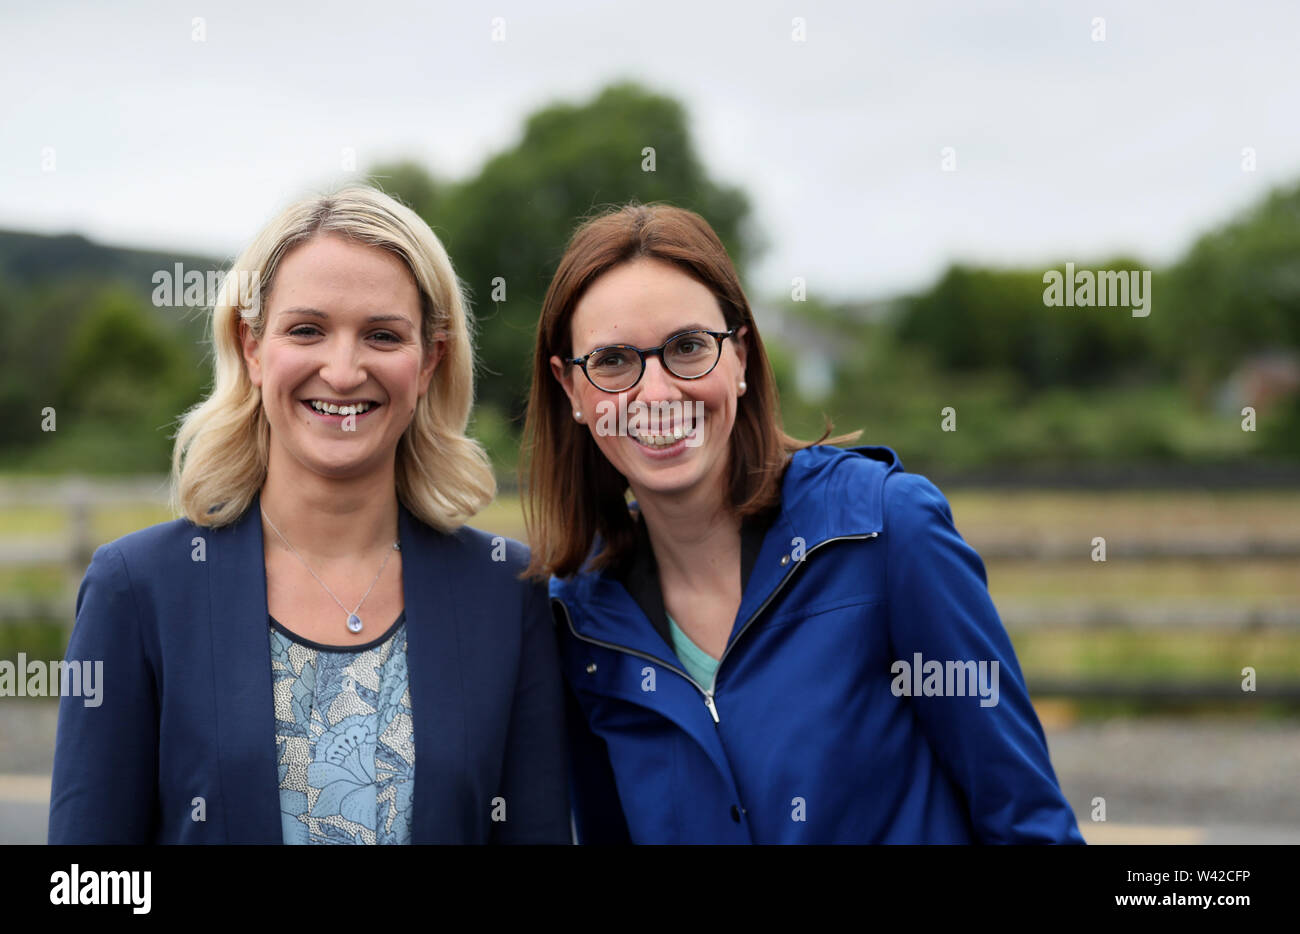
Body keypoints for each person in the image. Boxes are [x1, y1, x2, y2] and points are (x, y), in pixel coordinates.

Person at [521, 202, 1084, 844]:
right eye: (614, 361)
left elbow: (1026, 820)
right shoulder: (579, 621)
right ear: (571, 390)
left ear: (740, 358)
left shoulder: (886, 529)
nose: (655, 394)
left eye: (686, 347)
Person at [48, 186, 569, 844]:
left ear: (431, 360)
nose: (344, 370)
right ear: (253, 347)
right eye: (307, 330)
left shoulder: (507, 593)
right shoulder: (137, 588)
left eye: (382, 335)